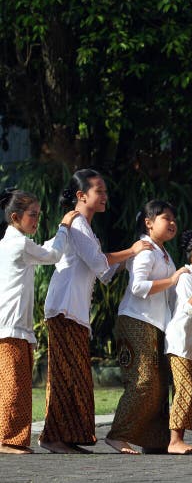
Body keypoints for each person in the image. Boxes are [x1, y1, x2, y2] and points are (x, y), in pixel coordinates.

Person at [39, 169, 153, 454]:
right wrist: (131, 250)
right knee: (65, 375)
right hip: (64, 308)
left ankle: (64, 437)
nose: (104, 196)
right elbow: (101, 263)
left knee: (74, 375)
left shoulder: (85, 227)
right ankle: (52, 437)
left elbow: (103, 272)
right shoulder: (77, 223)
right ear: (82, 195)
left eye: (104, 191)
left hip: (74, 310)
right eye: (99, 191)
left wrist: (133, 258)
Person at [105, 200, 188, 454]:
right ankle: (118, 435)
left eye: (174, 218)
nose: (172, 222)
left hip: (156, 323)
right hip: (136, 319)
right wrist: (172, 279)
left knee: (160, 383)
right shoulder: (145, 250)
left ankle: (154, 440)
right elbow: (138, 288)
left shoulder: (162, 251)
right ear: (149, 223)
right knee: (144, 381)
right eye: (166, 218)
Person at [0, 189, 78, 454]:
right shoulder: (18, 244)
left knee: (19, 385)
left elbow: (45, 250)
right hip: (9, 326)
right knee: (13, 386)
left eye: (38, 215)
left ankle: (13, 439)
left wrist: (61, 234)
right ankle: (5, 440)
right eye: (32, 215)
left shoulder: (14, 243)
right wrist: (64, 227)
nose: (36, 220)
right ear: (15, 216)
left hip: (16, 325)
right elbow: (52, 255)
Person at [164, 230, 192, 454]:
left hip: (191, 343)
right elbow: (186, 308)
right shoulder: (185, 276)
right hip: (180, 340)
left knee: (188, 389)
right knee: (185, 389)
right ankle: (174, 441)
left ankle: (178, 438)